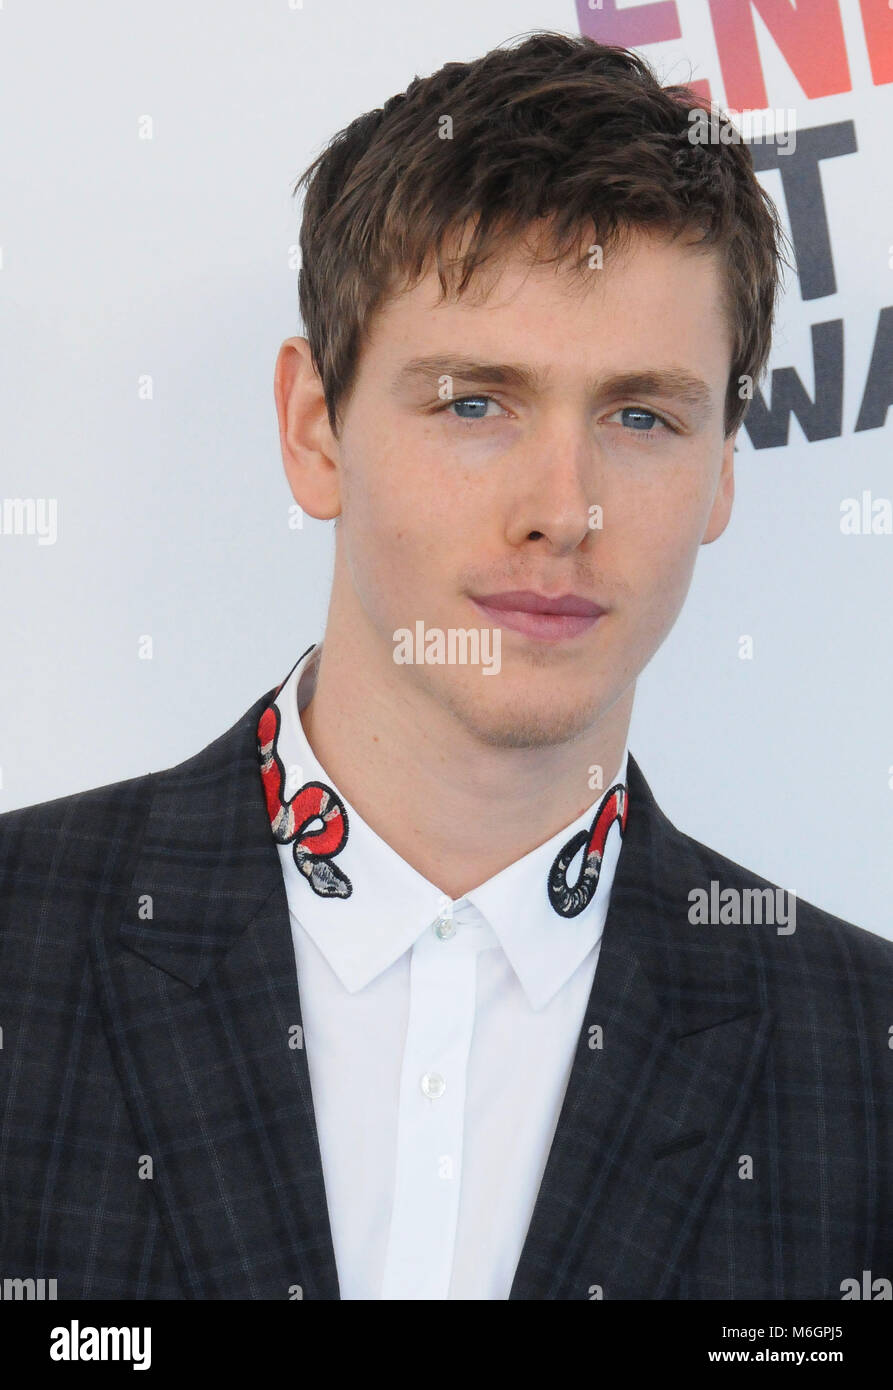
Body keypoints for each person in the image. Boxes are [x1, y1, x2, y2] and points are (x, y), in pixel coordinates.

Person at [1, 31, 890, 1302]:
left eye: (640, 415)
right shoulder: (23, 939)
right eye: (475, 402)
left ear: (721, 471)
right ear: (315, 430)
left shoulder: (859, 1055)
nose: (560, 509)